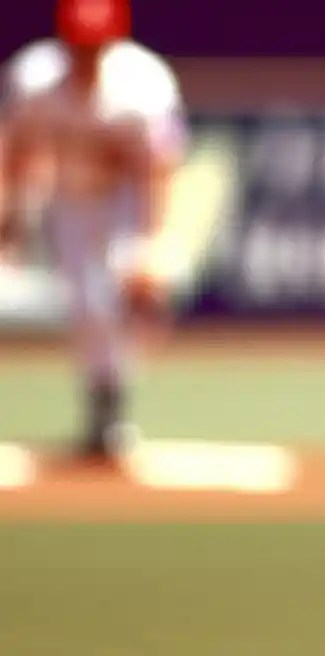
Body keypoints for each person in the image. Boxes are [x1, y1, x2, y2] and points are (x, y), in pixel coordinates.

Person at [0, 0, 187, 461]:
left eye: (96, 46)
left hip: (123, 201)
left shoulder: (143, 84)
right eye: (79, 45)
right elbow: (17, 149)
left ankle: (110, 409)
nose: (87, 55)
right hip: (67, 199)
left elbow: (159, 169)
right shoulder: (33, 78)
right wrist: (10, 218)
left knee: (113, 299)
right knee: (86, 304)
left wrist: (151, 245)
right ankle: (104, 412)